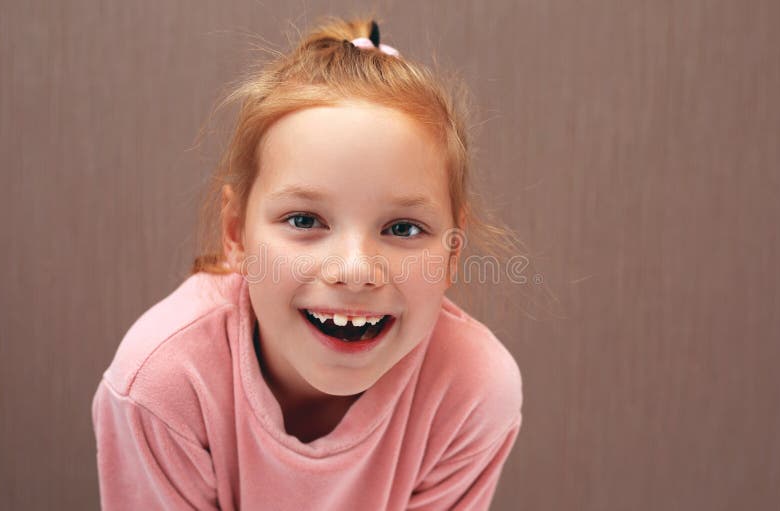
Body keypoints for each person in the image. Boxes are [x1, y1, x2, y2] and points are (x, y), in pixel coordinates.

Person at [92, 16, 524, 510]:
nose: (356, 269)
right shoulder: (163, 383)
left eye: (402, 228)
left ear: (452, 251)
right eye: (304, 220)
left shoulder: (472, 389)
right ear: (236, 234)